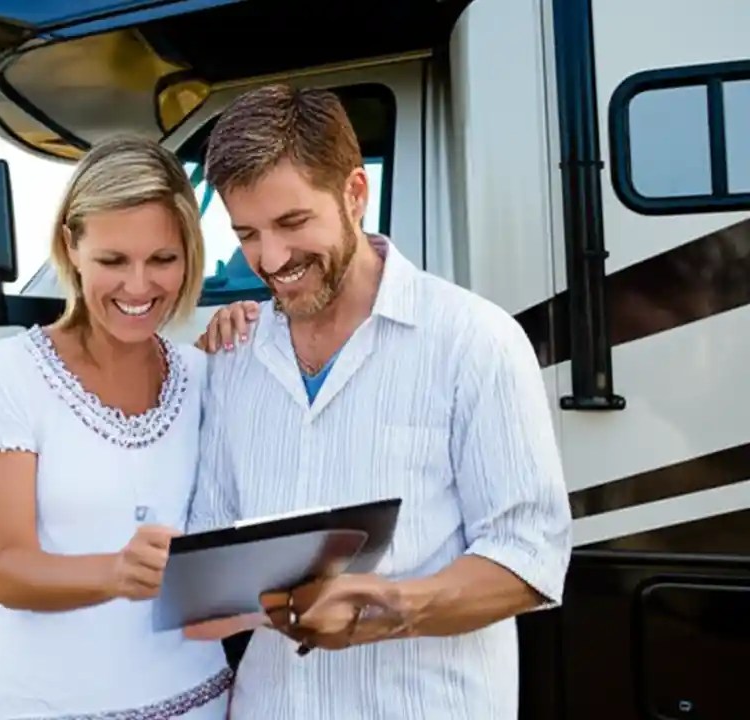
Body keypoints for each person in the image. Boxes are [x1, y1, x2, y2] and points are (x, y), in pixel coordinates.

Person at [188, 84, 573, 719]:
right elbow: (214, 546)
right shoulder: (233, 359)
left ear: (355, 193)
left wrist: (394, 609)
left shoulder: (475, 340)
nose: (272, 259)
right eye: (247, 233)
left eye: (292, 223)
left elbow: (528, 556)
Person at [0, 134, 257, 719]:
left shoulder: (205, 374)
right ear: (72, 247)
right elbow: (9, 571)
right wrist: (116, 571)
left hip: (200, 701)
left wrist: (249, 327)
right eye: (113, 261)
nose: (139, 286)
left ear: (190, 254)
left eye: (163, 260)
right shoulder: (7, 373)